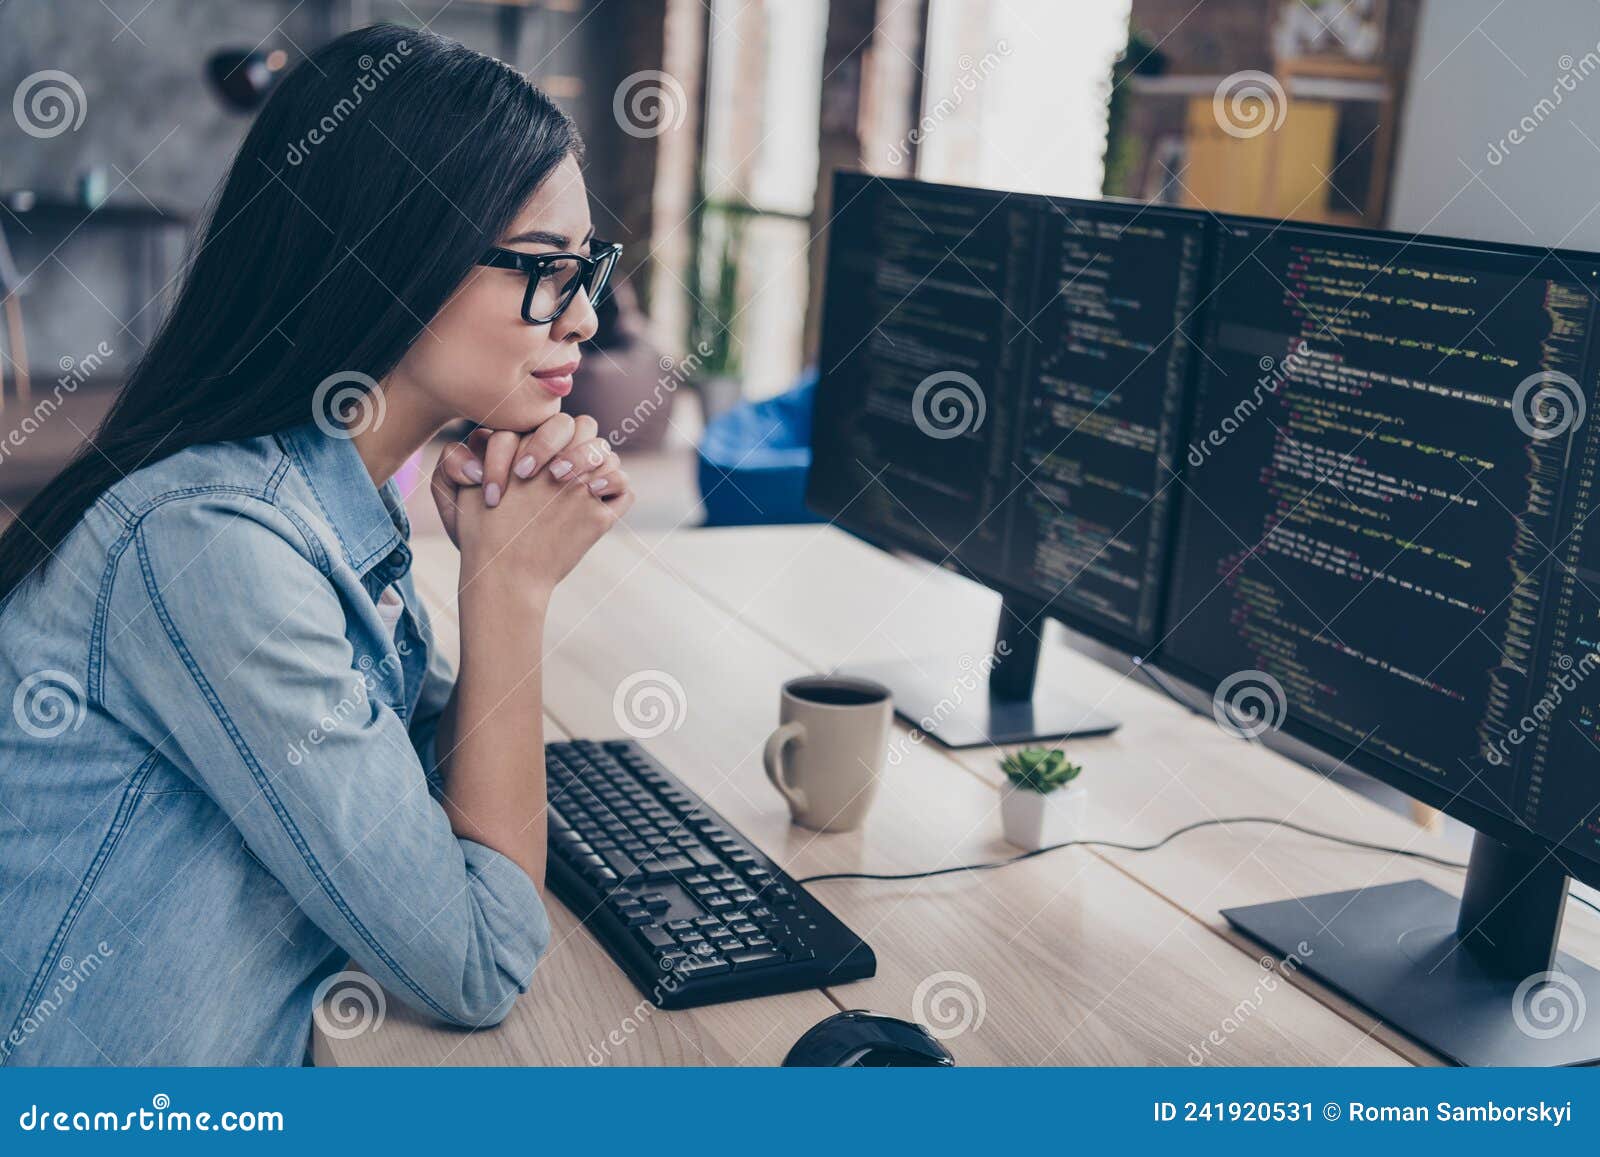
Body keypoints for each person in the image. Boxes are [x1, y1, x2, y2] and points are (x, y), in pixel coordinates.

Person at [0, 25, 629, 1065]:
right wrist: (508, 585)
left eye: (586, 268)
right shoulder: (212, 547)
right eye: (545, 270)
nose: (584, 316)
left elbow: (423, 784)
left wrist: (489, 558)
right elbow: (476, 960)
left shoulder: (319, 498)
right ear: (396, 257)